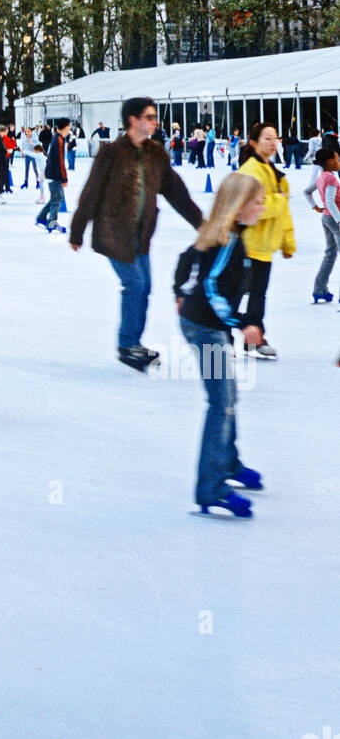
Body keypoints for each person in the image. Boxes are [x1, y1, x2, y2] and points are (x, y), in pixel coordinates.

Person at [70, 97, 203, 372]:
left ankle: (134, 342)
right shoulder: (112, 153)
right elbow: (92, 191)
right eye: (150, 117)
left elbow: (176, 191)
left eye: (155, 117)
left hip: (142, 235)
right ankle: (127, 344)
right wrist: (77, 229)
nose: (155, 122)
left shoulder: (156, 153)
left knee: (146, 287)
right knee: (135, 285)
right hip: (113, 233)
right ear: (133, 120)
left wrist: (200, 223)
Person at [174, 173, 268, 519]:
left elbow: (188, 260)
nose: (262, 206)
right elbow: (212, 288)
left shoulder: (225, 236)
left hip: (208, 327)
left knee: (228, 397)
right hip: (206, 331)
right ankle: (211, 488)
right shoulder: (227, 240)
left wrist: (180, 291)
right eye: (257, 201)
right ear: (240, 205)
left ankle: (227, 463)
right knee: (220, 403)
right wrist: (242, 323)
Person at [236, 124, 295, 360]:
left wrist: (287, 242)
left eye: (275, 138)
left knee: (258, 295)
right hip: (247, 244)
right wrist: (279, 200)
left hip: (264, 246)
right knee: (236, 294)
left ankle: (254, 339)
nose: (273, 142)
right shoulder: (251, 170)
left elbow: (283, 212)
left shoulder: (272, 170)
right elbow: (252, 208)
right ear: (253, 143)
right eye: (267, 138)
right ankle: (225, 337)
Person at [309, 147, 340, 304]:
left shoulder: (322, 177)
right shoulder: (331, 179)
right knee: (331, 254)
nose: (339, 161)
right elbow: (329, 201)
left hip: (326, 219)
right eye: (337, 159)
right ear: (330, 162)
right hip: (334, 221)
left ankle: (319, 289)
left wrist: (314, 206)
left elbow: (307, 191)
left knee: (330, 255)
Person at [36, 118, 70, 233]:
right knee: (57, 199)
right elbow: (60, 160)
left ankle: (42, 217)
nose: (70, 129)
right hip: (54, 174)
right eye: (69, 127)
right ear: (65, 127)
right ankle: (51, 223)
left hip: (52, 173)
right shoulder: (59, 139)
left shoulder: (58, 138)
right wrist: (64, 177)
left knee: (56, 198)